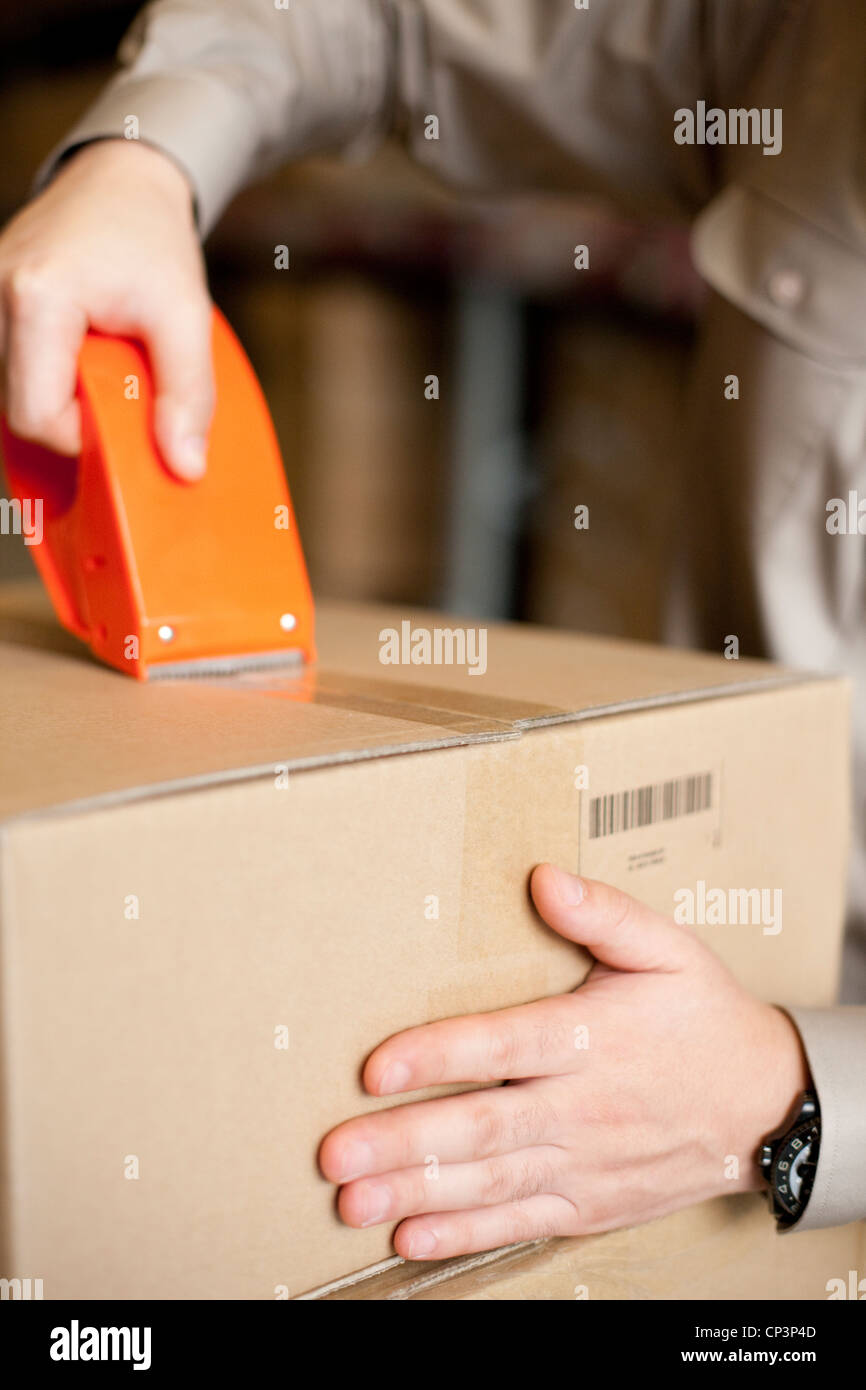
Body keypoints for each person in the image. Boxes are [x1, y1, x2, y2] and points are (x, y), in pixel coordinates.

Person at [0, 0, 864, 1252]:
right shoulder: (806, 48)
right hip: (693, 964)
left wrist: (788, 1098)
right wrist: (141, 158)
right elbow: (384, 22)